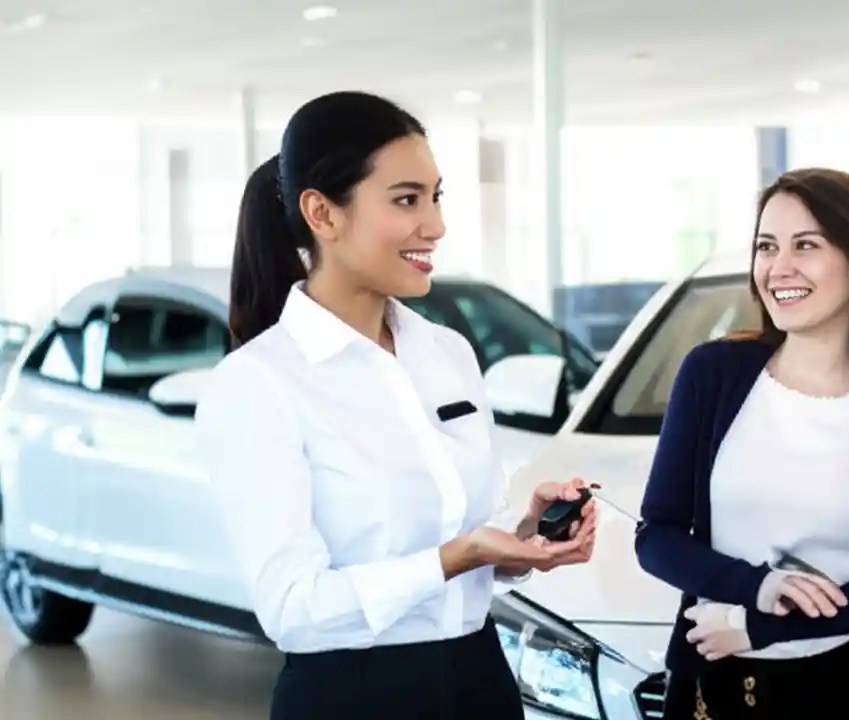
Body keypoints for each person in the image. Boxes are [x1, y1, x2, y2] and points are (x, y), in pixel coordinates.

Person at [193, 90, 597, 720]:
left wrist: (523, 537)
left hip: (481, 681)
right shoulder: (258, 383)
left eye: (436, 197)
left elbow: (471, 537)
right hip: (352, 695)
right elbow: (293, 610)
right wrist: (458, 557)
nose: (433, 225)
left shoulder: (448, 354)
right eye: (406, 200)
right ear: (323, 215)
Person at [635, 168, 849, 718]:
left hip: (847, 689)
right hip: (713, 686)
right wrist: (757, 586)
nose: (779, 268)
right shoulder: (714, 374)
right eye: (766, 247)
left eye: (807, 246)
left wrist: (763, 624)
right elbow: (657, 536)